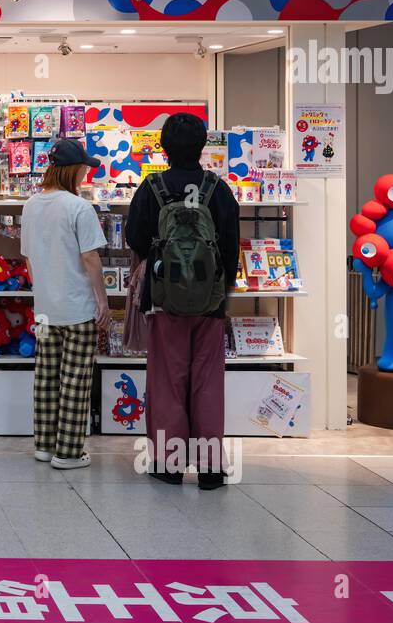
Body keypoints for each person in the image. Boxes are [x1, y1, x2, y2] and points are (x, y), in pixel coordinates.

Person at [125, 112, 240, 489]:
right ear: (203, 146)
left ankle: (169, 464)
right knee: (208, 380)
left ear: (163, 146)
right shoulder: (217, 189)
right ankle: (210, 469)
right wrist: (222, 290)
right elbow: (230, 244)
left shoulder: (152, 187)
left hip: (164, 297)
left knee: (167, 379)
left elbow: (136, 238)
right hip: (210, 300)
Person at [20, 138, 109, 470]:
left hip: (44, 308)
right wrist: (101, 301)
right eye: (84, 168)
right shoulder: (79, 207)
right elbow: (90, 258)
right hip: (77, 309)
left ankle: (44, 445)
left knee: (45, 376)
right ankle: (69, 453)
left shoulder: (30, 205)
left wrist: (43, 290)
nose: (86, 174)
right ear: (74, 170)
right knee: (75, 379)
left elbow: (28, 259)